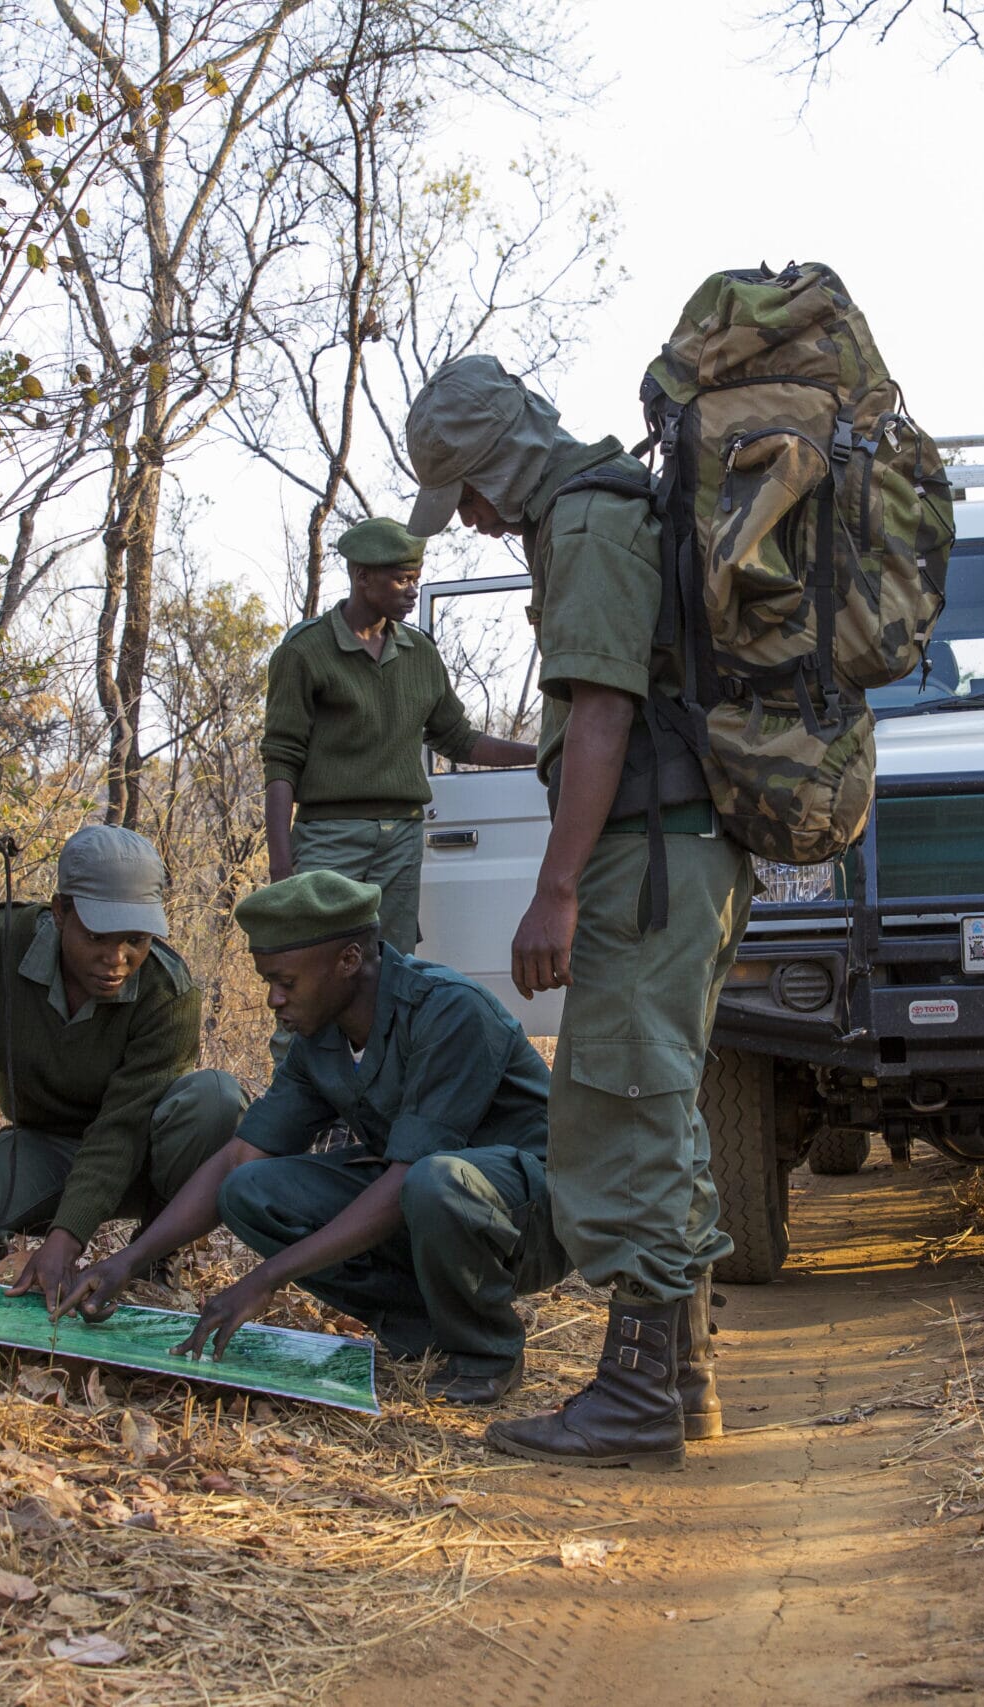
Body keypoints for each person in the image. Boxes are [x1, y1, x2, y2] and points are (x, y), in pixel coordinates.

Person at [401, 354, 752, 1468]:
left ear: (502, 462)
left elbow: (600, 711)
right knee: (661, 1101)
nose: (468, 515)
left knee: (620, 1103)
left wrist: (555, 887)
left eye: (465, 488)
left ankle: (635, 1398)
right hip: (672, 853)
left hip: (645, 858)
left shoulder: (590, 525)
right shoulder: (598, 510)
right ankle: (681, 1374)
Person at [48, 871, 567, 1406]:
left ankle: (486, 1351)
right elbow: (238, 1159)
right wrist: (128, 1260)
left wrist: (266, 1277)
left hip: (533, 1218)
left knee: (435, 1180)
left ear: (347, 961)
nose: (273, 999)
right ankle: (427, 1330)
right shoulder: (322, 1035)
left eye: (285, 982)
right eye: (268, 981)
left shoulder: (450, 1009)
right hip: (425, 1199)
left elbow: (413, 1173)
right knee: (250, 1192)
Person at [0, 824, 250, 1297]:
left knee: (215, 1098)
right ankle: (8, 1265)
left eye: (136, 939)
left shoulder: (167, 992)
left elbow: (124, 1128)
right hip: (44, 1147)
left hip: (139, 1159)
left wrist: (64, 1240)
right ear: (60, 911)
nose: (117, 958)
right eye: (97, 936)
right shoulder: (0, 941)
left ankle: (153, 1259)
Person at [261, 516, 536, 955]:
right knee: (317, 965)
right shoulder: (303, 652)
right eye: (401, 579)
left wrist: (541, 754)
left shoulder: (420, 652)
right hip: (329, 836)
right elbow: (281, 759)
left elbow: (458, 738)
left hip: (401, 837)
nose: (412, 590)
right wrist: (280, 865)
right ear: (362, 576)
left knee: (390, 967)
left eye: (416, 579)